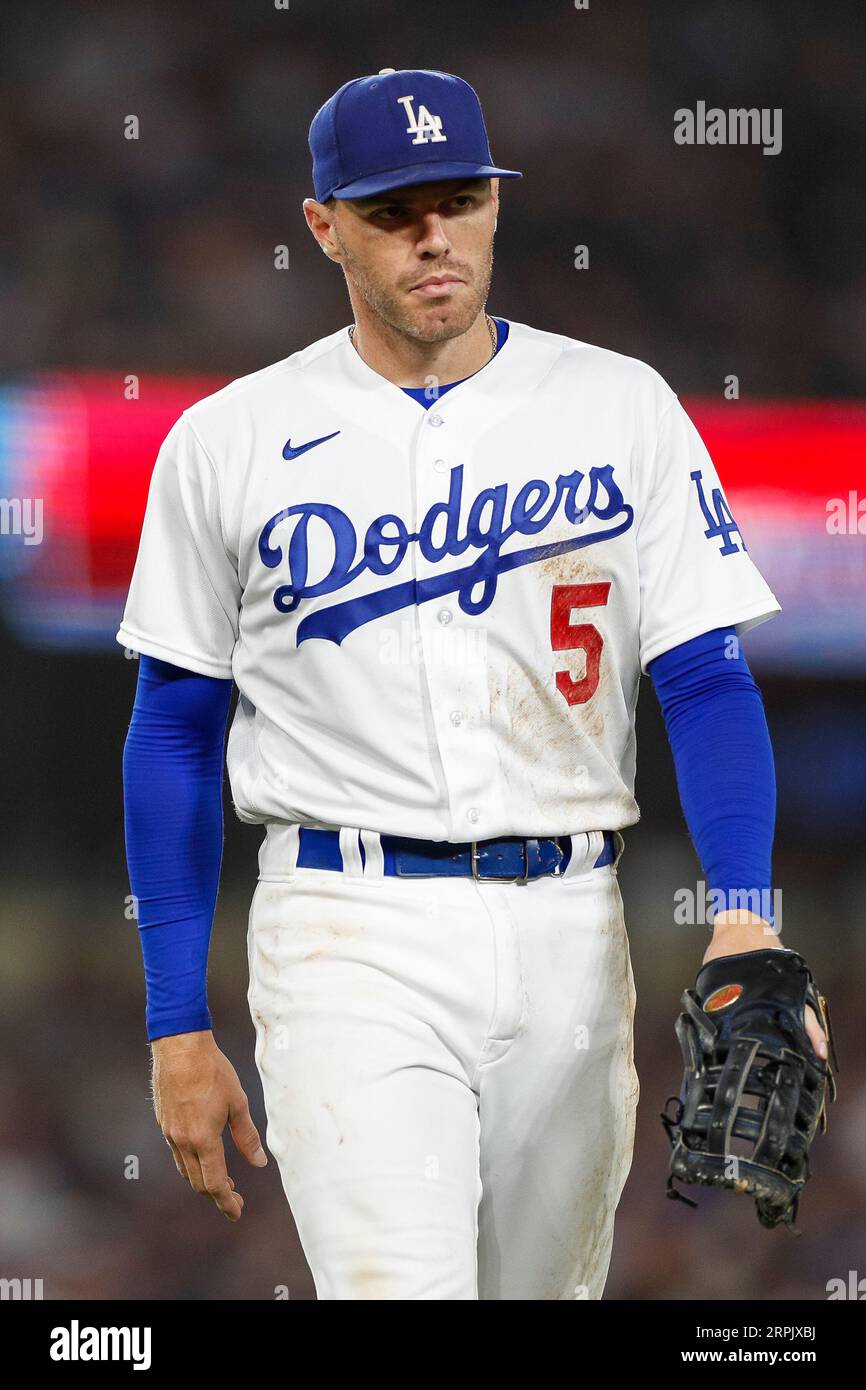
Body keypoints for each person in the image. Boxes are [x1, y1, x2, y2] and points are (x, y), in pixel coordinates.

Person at [119, 68, 827, 1300]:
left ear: (497, 204)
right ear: (323, 226)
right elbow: (173, 734)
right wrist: (176, 1020)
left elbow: (705, 680)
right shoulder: (228, 437)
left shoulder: (619, 406)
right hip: (349, 930)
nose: (434, 236)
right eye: (394, 212)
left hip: (570, 924)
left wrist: (744, 908)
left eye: (460, 199)